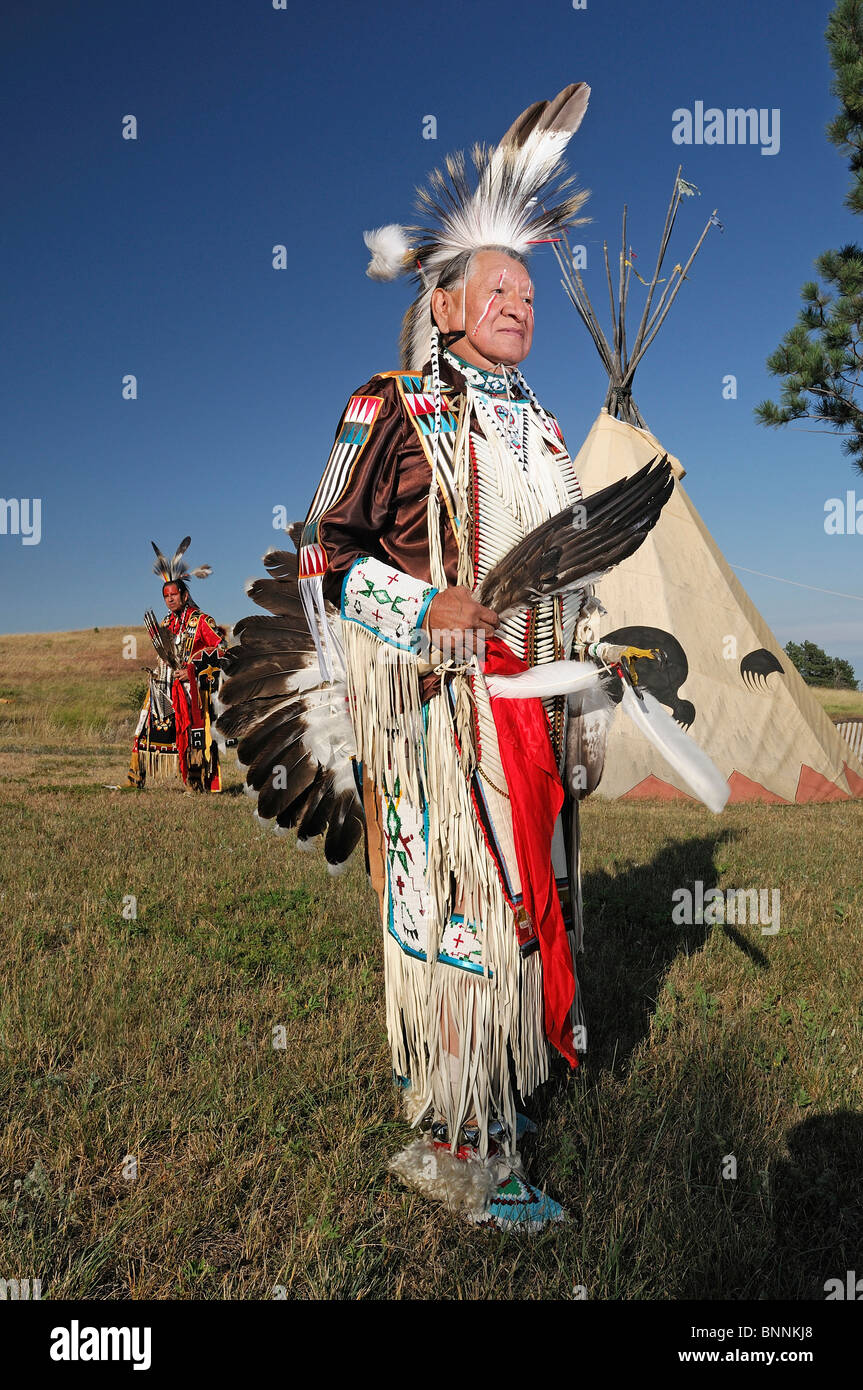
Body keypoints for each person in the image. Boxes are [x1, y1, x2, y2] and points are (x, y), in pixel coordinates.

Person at [293, 83, 614, 1230]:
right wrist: (424, 605)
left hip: (530, 708)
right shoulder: (388, 406)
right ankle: (458, 1149)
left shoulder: (544, 428)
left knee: (527, 908)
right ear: (443, 302)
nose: (520, 305)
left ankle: (497, 1106)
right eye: (498, 290)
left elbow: (571, 574)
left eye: (529, 294)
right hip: (440, 718)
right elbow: (323, 550)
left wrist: (586, 683)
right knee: (457, 924)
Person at [127, 537, 227, 793]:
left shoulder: (201, 620)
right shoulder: (166, 623)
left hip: (192, 690)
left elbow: (221, 648)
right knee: (145, 725)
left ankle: (195, 782)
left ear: (184, 595)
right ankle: (135, 778)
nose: (170, 599)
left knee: (191, 734)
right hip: (165, 685)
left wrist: (192, 668)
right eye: (166, 596)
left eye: (174, 595)